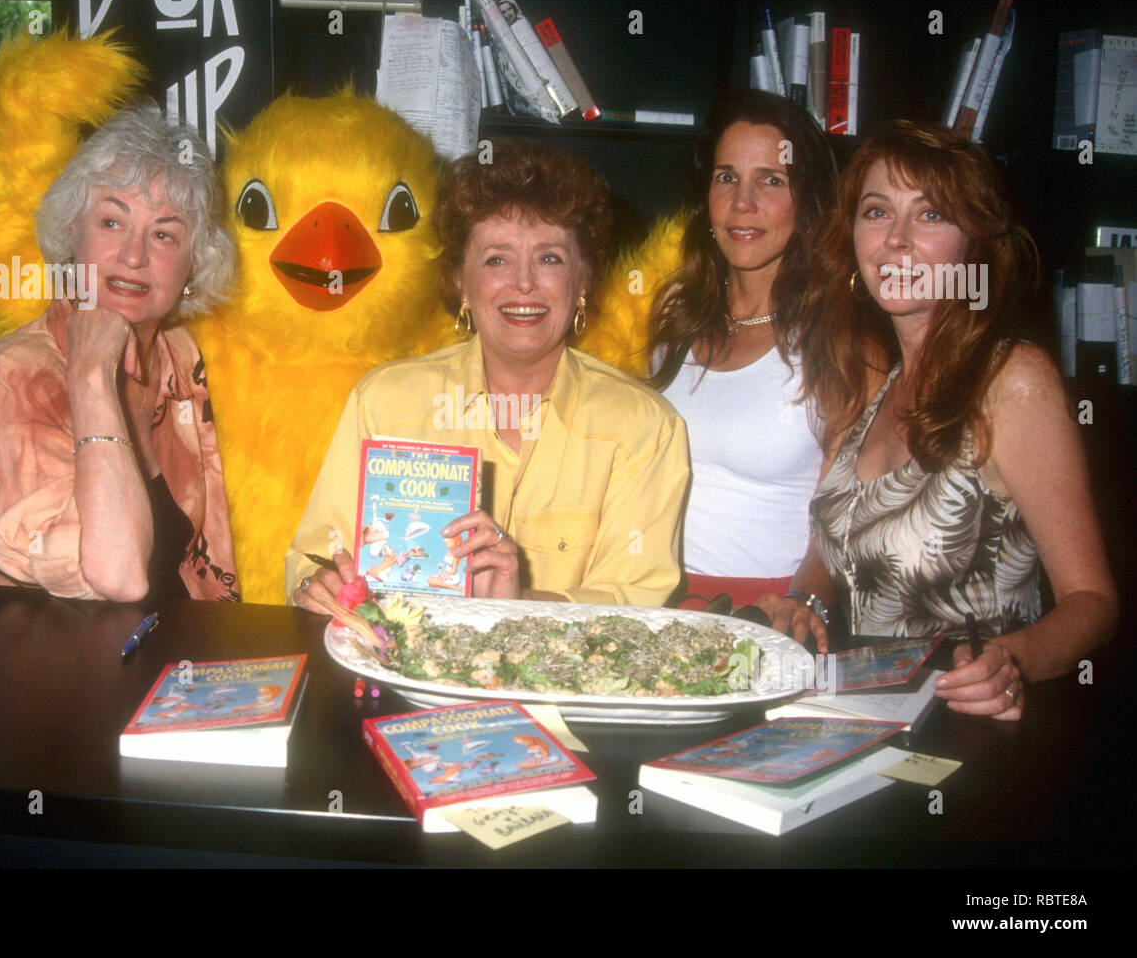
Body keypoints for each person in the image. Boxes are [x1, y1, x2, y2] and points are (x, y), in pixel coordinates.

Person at [797, 120, 1116, 718]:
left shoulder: (1011, 379)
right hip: (855, 714)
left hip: (970, 732)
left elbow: (1093, 600)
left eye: (931, 215)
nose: (896, 239)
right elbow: (829, 550)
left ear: (976, 244)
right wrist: (799, 604)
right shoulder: (868, 386)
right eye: (875, 211)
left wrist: (1011, 660)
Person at [289, 138, 689, 608]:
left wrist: (516, 602)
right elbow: (312, 558)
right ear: (459, 280)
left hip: (555, 679)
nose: (523, 283)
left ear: (583, 280)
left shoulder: (645, 427)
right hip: (396, 672)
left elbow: (637, 606)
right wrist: (317, 587)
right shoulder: (384, 401)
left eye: (550, 258)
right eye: (496, 258)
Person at [0, 104, 240, 602]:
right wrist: (91, 376)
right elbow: (115, 574)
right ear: (70, 234)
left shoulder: (179, 356)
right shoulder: (15, 373)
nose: (135, 256)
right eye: (111, 222)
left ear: (194, 267)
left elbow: (206, 570)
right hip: (30, 672)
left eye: (164, 234)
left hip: (161, 662)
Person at [645, 91, 838, 620]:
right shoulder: (672, 319)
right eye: (726, 176)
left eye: (771, 180)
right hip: (653, 601)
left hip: (771, 612)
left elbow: (846, 518)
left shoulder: (838, 341)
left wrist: (804, 603)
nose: (742, 202)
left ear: (808, 199)